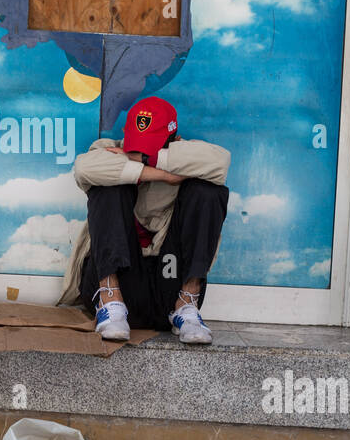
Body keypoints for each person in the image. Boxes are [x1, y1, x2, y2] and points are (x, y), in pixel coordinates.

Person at [58, 96, 230, 345]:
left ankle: (187, 308)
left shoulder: (188, 155)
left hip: (168, 291)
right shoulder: (109, 148)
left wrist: (149, 159)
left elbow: (221, 163)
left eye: (149, 148)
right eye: (135, 146)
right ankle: (110, 302)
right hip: (118, 283)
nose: (137, 153)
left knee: (209, 191)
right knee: (107, 187)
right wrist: (158, 173)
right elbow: (84, 169)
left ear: (175, 141)